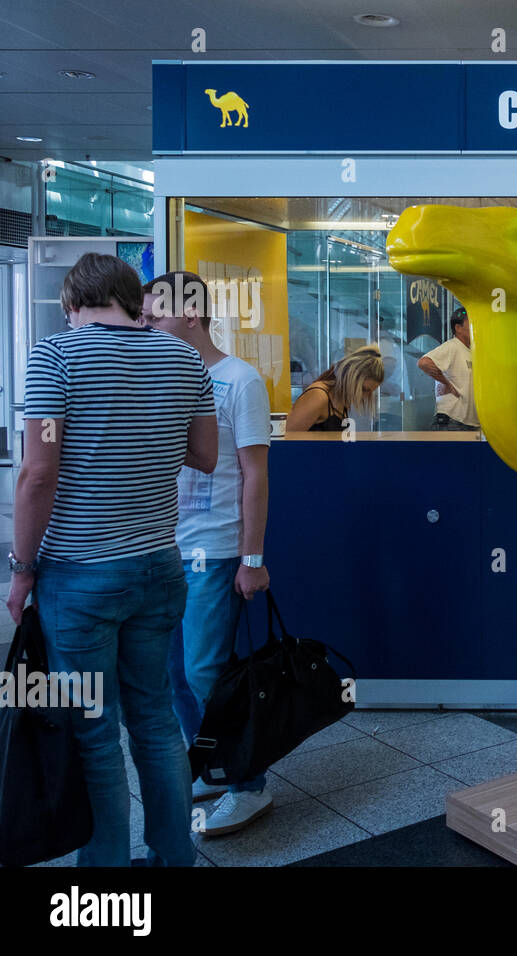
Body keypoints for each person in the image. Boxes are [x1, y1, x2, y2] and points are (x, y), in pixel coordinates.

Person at [6, 252, 217, 866]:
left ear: (73, 302)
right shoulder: (182, 358)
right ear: (135, 300)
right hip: (159, 565)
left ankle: (106, 881)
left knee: (94, 731)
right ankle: (176, 858)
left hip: (81, 576)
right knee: (153, 719)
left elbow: (38, 475)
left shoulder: (55, 355)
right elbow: (204, 455)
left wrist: (21, 569)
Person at [141, 272, 275, 836]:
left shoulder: (240, 381)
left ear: (190, 315)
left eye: (153, 315)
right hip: (163, 551)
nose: (145, 324)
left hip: (215, 553)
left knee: (205, 672)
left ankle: (251, 785)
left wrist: (251, 559)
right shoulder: (163, 377)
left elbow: (255, 475)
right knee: (172, 672)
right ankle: (216, 766)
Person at [285, 344, 384, 431]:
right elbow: (286, 439)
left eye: (370, 392)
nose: (365, 396)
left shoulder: (342, 400)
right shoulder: (319, 396)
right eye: (363, 389)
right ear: (350, 376)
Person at [418, 307, 478, 431]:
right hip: (452, 421)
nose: (474, 327)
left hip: (469, 422)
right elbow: (424, 363)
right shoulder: (452, 346)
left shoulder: (472, 351)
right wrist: (445, 382)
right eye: (470, 323)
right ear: (458, 328)